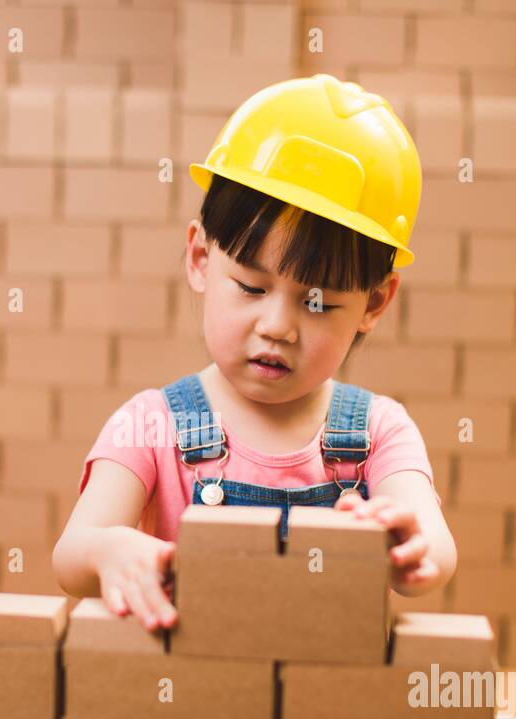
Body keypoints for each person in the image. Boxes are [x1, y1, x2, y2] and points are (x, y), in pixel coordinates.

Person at [52, 73, 457, 634]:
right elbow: (72, 554)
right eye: (250, 287)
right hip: (190, 699)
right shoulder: (151, 425)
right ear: (199, 257)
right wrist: (110, 552)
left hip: (324, 705)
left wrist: (407, 545)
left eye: (317, 302)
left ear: (374, 302)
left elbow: (435, 551)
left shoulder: (379, 434)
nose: (278, 327)